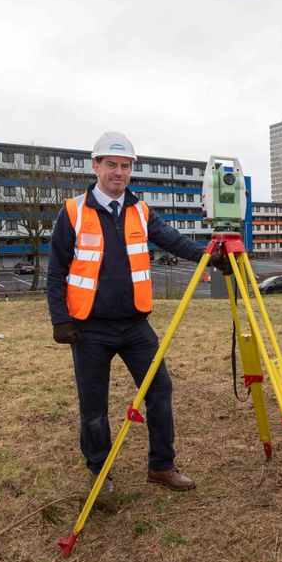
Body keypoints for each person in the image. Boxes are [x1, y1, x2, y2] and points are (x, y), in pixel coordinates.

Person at [47, 131, 230, 492]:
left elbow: (172, 240)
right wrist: (60, 319)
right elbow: (56, 271)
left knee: (160, 389)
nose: (119, 172)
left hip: (134, 326)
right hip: (89, 329)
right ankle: (100, 472)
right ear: (95, 166)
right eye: (112, 165)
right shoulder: (73, 211)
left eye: (125, 166)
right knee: (94, 405)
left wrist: (210, 256)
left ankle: (161, 466)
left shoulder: (140, 210)